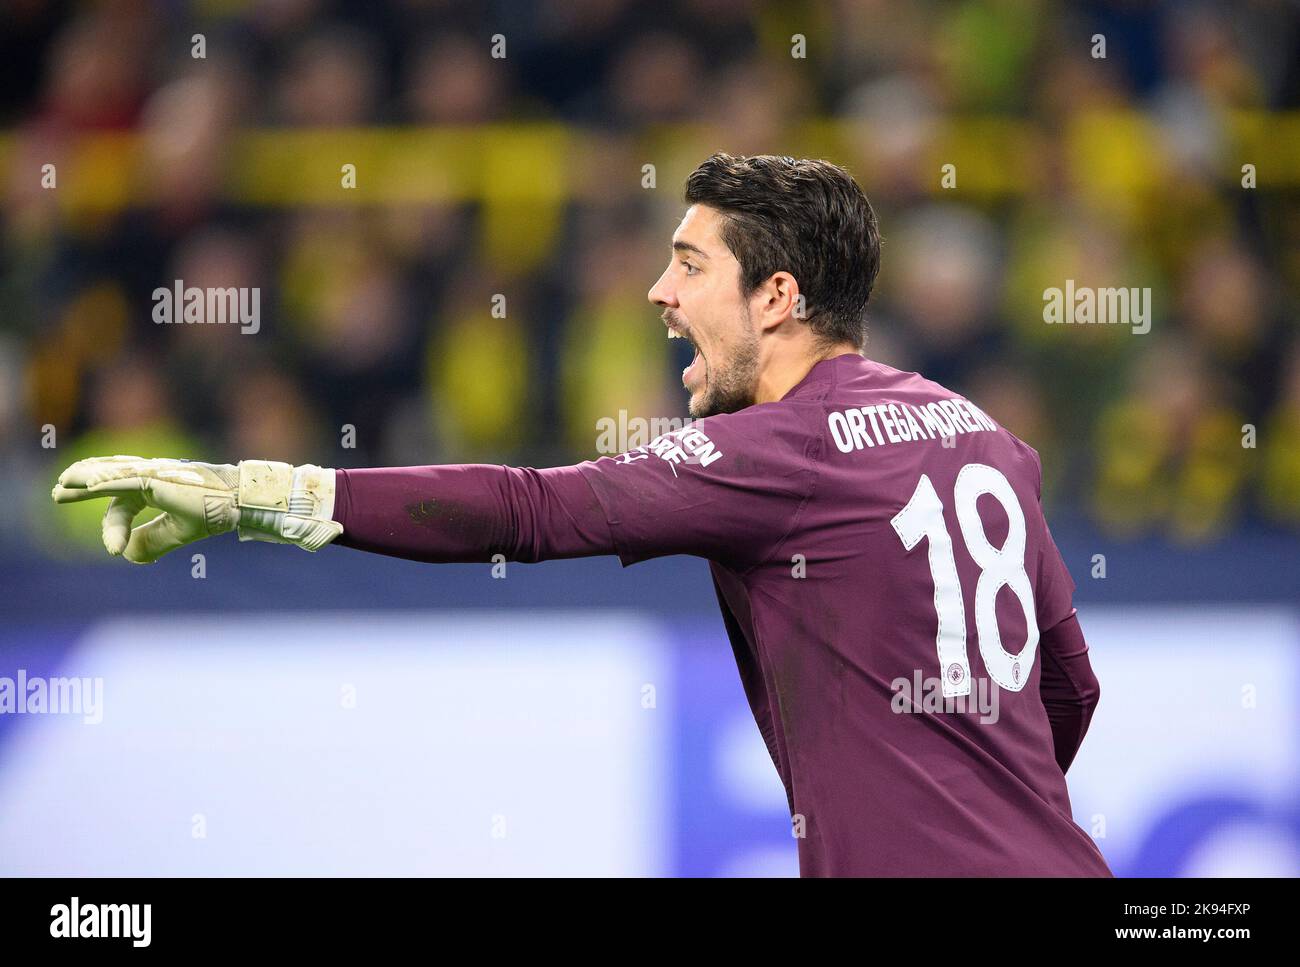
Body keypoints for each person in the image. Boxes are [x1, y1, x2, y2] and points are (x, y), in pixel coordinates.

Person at [52, 153, 1111, 877]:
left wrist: (256, 495)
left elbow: (526, 509)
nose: (659, 291)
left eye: (689, 265)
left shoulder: (777, 451)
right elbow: (1069, 689)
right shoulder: (983, 435)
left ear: (778, 297)